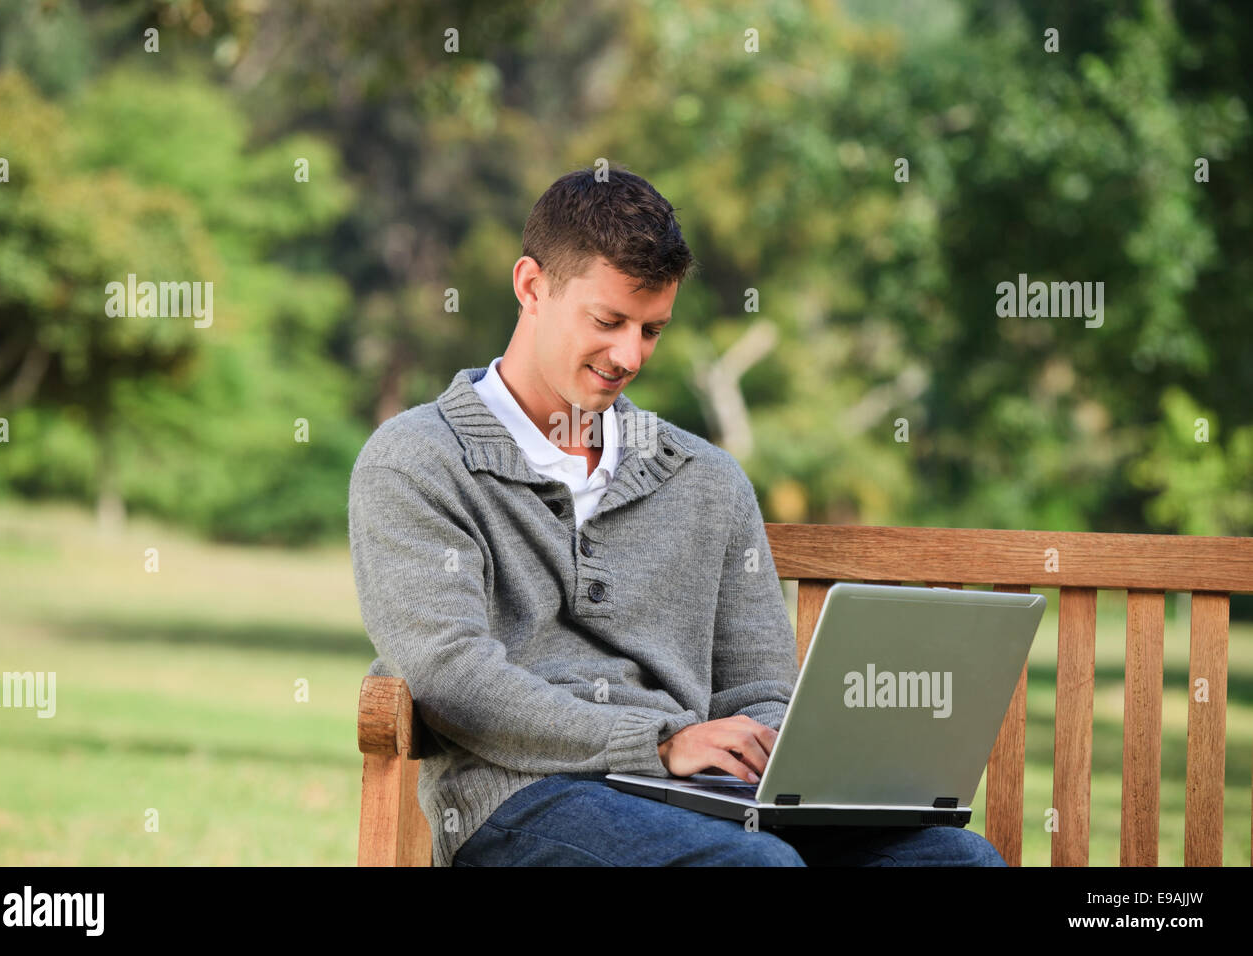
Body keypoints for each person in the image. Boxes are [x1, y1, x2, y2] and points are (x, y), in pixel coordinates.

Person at [347, 167, 1006, 867]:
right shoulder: (418, 459)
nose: (629, 355)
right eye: (608, 322)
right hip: (522, 798)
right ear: (531, 286)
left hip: (700, 798)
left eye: (652, 329)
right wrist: (660, 743)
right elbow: (452, 677)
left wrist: (777, 757)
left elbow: (758, 688)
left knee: (956, 860)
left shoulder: (706, 478)